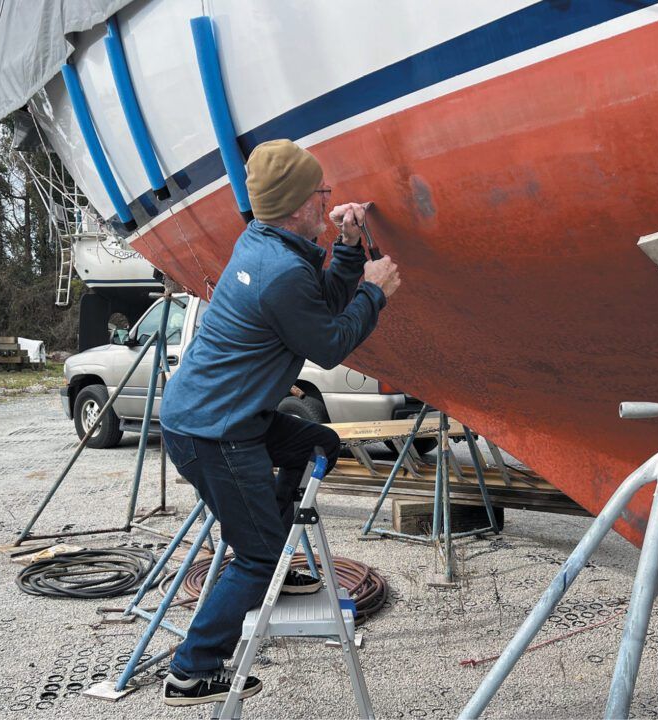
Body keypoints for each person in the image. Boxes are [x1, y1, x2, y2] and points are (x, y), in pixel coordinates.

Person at [159, 139, 401, 706]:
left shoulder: (267, 243)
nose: (329, 200)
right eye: (322, 194)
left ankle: (273, 541)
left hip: (219, 416)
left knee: (316, 440)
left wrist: (346, 246)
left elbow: (315, 303)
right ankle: (191, 671)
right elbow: (330, 341)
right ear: (297, 204)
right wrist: (375, 291)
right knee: (256, 556)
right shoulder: (279, 271)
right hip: (215, 433)